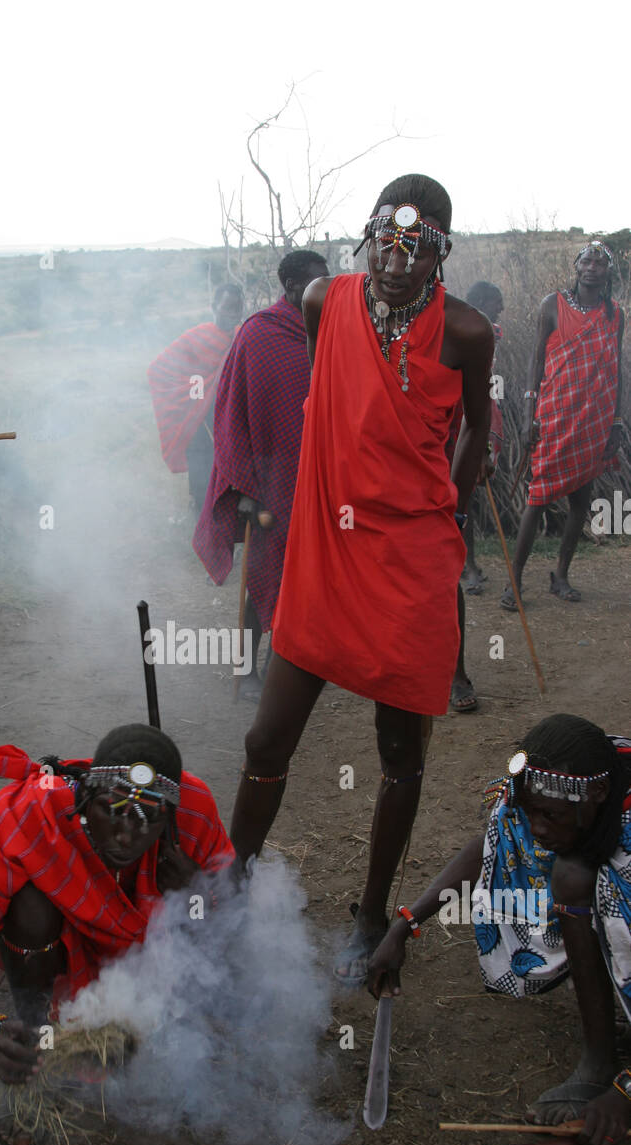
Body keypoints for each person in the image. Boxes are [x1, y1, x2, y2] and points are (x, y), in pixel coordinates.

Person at [229, 175, 494, 984]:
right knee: (267, 737)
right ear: (367, 238)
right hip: (328, 551)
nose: (395, 265)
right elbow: (331, 406)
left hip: (409, 563)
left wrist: (445, 516)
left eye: (415, 251)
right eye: (384, 245)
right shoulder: (322, 301)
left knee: (398, 755)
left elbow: (478, 430)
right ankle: (232, 885)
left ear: (440, 252)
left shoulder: (468, 332)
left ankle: (372, 912)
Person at [0, 724, 235, 1145]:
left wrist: (194, 891)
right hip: (52, 947)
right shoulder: (27, 817)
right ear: (85, 796)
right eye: (111, 810)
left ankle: (152, 1032)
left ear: (169, 816)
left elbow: (233, 924)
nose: (127, 836)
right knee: (31, 903)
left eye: (148, 821)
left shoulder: (191, 811)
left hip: (139, 966)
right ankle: (38, 1058)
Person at [367, 715, 631, 1145]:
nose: (538, 827)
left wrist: (625, 1095)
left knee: (580, 877)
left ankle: (607, 1068)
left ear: (599, 795)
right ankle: (599, 1059)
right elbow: (495, 847)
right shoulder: (554, 791)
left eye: (550, 816)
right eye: (531, 813)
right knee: (571, 874)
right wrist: (404, 925)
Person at [192, 250, 329, 693]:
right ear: (289, 287)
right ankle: (245, 669)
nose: (323, 290)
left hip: (318, 478)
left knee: (310, 580)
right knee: (267, 576)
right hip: (269, 482)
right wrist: (243, 486)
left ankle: (281, 666)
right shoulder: (258, 335)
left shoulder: (330, 334)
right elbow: (230, 414)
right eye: (313, 283)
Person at [501, 241, 623, 610]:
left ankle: (561, 575)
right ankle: (515, 581)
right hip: (553, 416)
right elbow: (536, 362)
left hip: (595, 419)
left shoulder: (615, 314)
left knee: (581, 500)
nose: (592, 267)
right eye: (586, 260)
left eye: (600, 263)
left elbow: (617, 369)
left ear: (608, 272)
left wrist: (617, 421)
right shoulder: (551, 306)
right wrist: (527, 414)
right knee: (537, 499)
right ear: (576, 266)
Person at [449, 280, 505, 713]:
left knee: (445, 573)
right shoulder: (386, 332)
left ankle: (456, 672)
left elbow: (483, 407)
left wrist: (485, 447)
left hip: (448, 464)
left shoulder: (467, 336)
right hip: (391, 469)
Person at [147, 283, 243, 507]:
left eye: (237, 308)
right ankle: (202, 523)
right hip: (200, 423)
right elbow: (157, 370)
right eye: (227, 307)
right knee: (203, 483)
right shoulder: (196, 338)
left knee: (233, 487)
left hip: (231, 422)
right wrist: (193, 395)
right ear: (213, 307)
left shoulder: (243, 336)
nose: (232, 314)